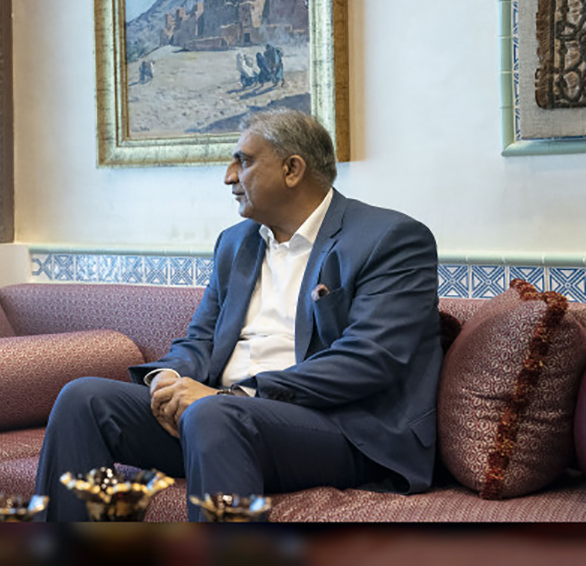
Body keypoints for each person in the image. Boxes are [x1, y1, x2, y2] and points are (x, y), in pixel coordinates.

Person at [34, 108, 441, 521]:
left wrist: (233, 395)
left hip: (342, 430)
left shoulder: (388, 238)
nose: (228, 176)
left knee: (213, 414)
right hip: (221, 423)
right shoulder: (236, 243)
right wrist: (168, 378)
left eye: (243, 161)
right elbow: (201, 340)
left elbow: (369, 360)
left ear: (292, 169)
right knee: (82, 398)